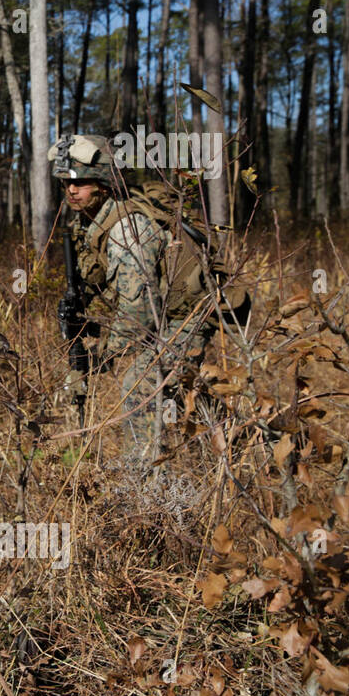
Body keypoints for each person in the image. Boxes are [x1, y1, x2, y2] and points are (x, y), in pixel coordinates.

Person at [50, 133, 247, 460]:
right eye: (66, 183)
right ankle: (227, 445)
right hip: (168, 314)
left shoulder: (128, 230)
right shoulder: (93, 221)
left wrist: (101, 356)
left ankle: (142, 481)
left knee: (140, 384)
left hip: (191, 315)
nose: (71, 190)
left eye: (81, 182)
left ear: (103, 185)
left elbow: (137, 317)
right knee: (182, 386)